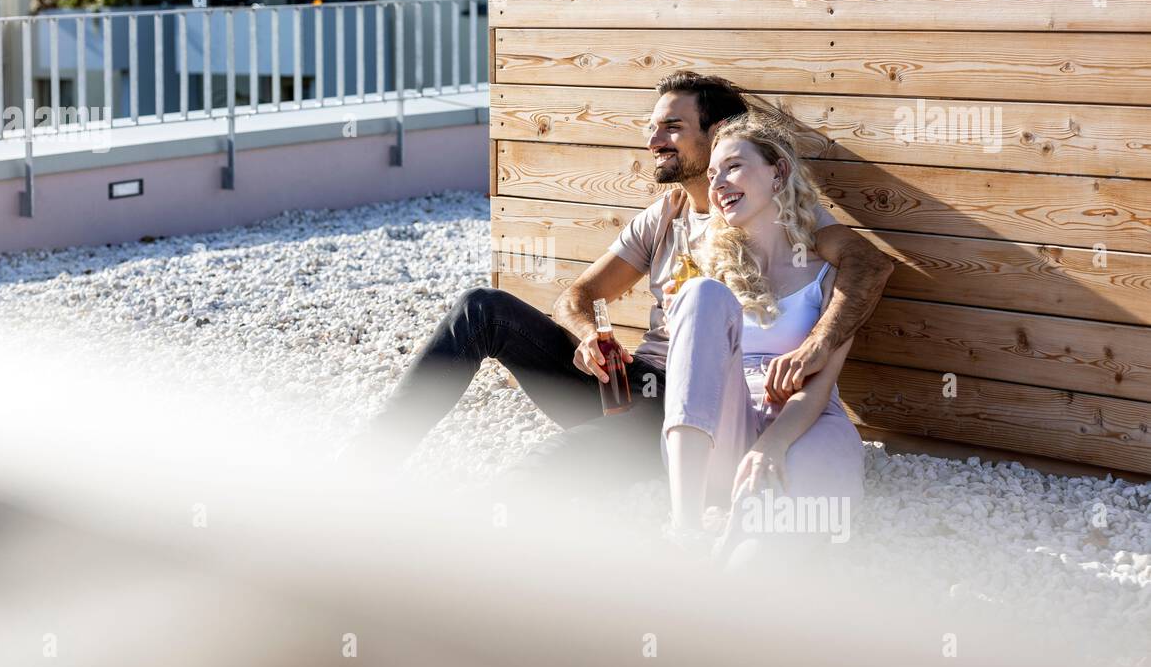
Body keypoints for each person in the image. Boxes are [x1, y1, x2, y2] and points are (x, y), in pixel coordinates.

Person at [340, 71, 893, 493]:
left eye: (672, 128)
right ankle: (366, 466)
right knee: (481, 307)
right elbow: (578, 296)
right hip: (629, 383)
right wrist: (590, 336)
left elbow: (868, 265)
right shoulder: (665, 215)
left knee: (544, 470)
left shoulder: (772, 214)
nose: (655, 141)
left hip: (692, 401)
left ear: (719, 133)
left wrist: (818, 345)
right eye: (653, 128)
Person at [659, 112, 867, 571]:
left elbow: (819, 387)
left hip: (805, 422)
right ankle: (685, 530)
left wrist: (769, 446)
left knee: (758, 562)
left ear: (778, 172)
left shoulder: (828, 274)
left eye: (733, 167)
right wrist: (682, 319)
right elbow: (692, 379)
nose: (717, 184)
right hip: (723, 425)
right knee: (701, 294)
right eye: (712, 174)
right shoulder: (706, 274)